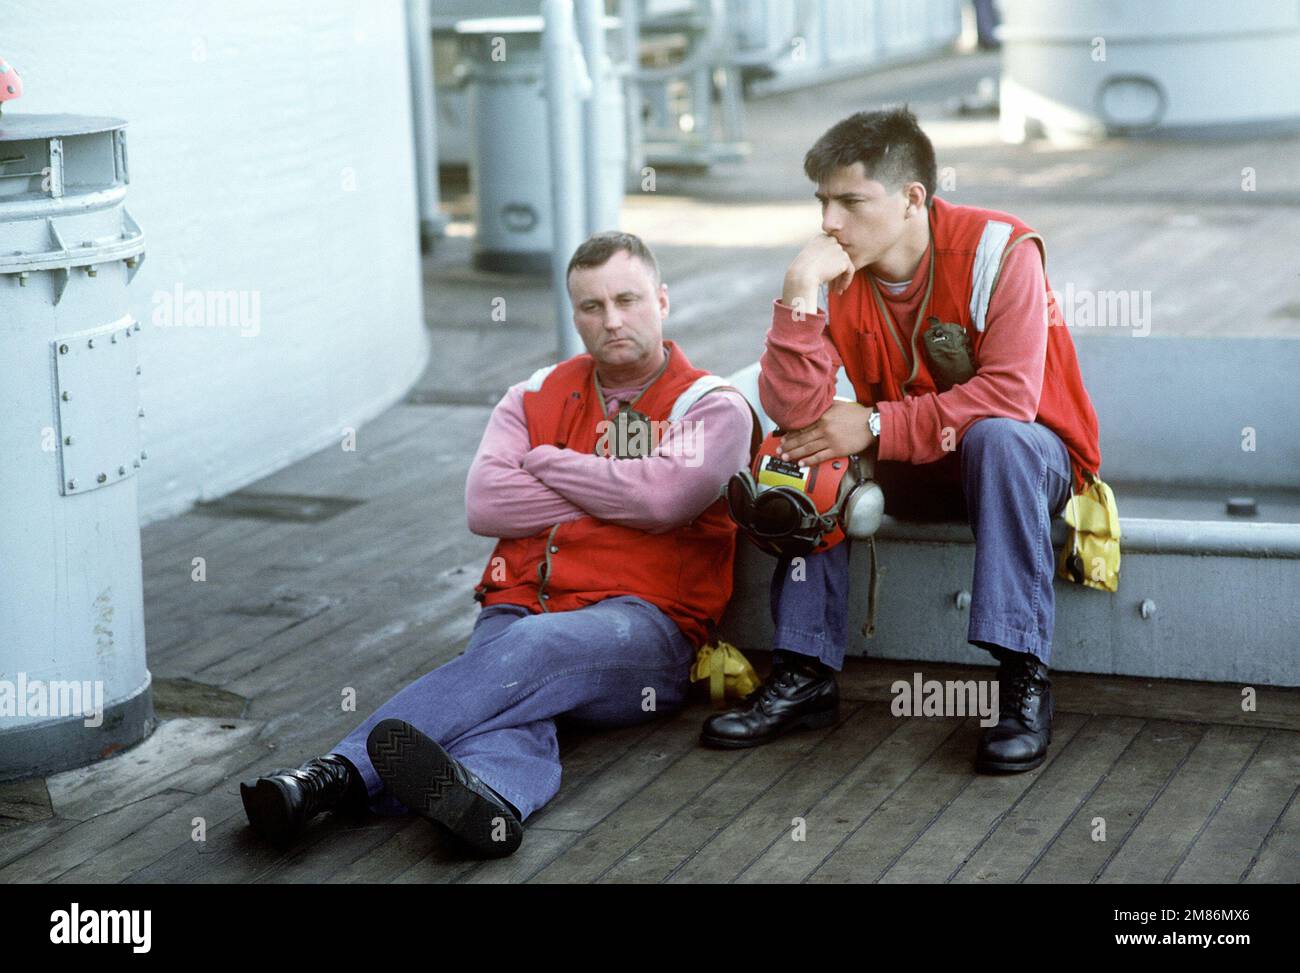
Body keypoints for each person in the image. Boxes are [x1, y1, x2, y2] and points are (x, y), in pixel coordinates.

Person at [239, 231, 757, 856]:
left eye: (628, 299)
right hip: (518, 605)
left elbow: (663, 501)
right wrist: (619, 486)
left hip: (643, 630)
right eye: (592, 307)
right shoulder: (534, 393)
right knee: (513, 697)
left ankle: (332, 777)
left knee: (527, 653)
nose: (612, 320)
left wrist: (549, 462)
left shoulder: (712, 407)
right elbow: (487, 503)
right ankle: (490, 800)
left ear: (663, 300)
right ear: (575, 315)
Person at [700, 107, 1101, 774]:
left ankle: (1023, 675)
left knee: (999, 439)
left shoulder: (1000, 250)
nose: (830, 221)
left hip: (1025, 460)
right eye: (823, 201)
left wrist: (877, 423)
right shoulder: (836, 272)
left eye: (851, 201)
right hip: (914, 462)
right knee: (798, 448)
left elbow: (1010, 398)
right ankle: (805, 670)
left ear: (914, 197)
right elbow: (797, 408)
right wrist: (798, 293)